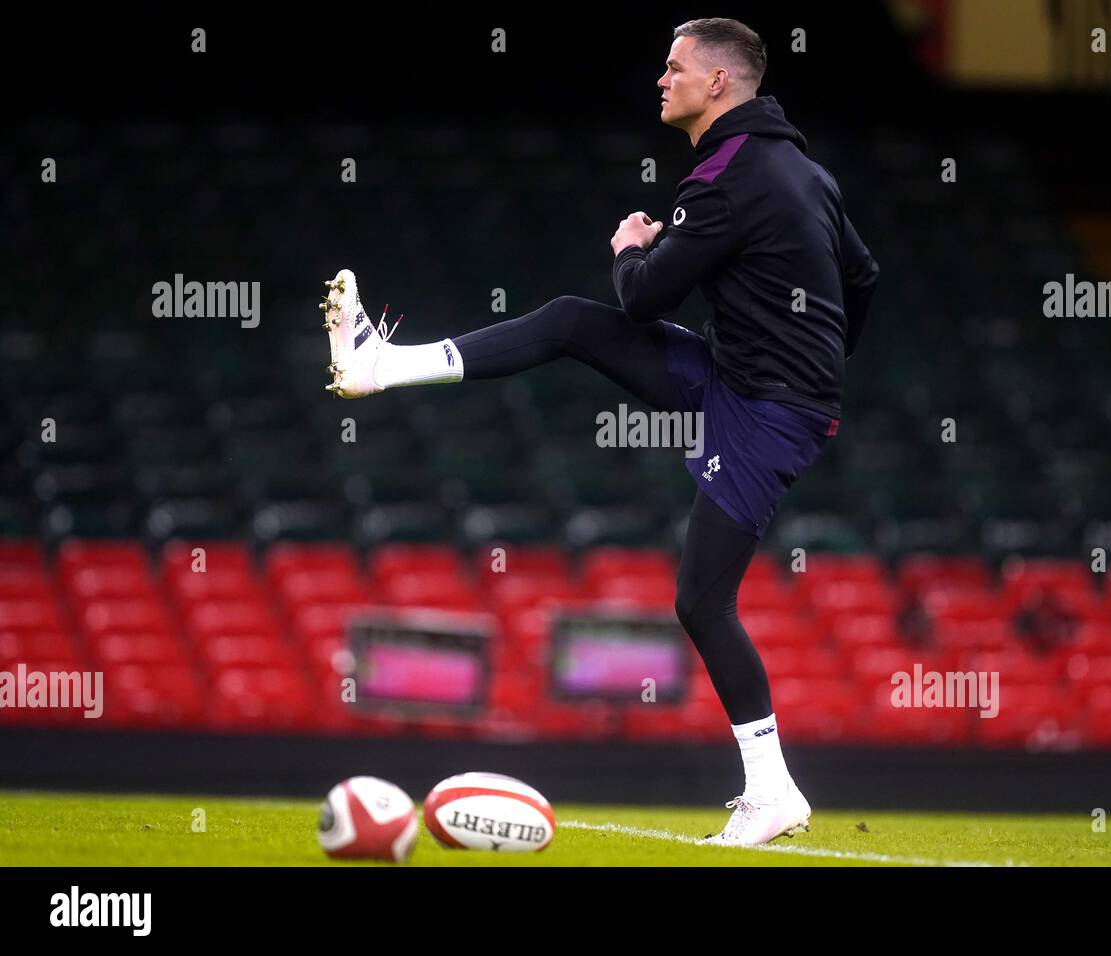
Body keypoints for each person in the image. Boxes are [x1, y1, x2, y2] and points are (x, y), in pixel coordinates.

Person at [319, 17, 879, 845]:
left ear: (718, 84)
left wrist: (631, 245)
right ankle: (380, 365)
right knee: (571, 324)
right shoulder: (804, 172)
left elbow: (645, 299)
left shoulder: (726, 176)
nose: (661, 79)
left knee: (700, 599)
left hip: (767, 409)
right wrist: (819, 355)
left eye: (674, 66)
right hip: (749, 384)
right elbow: (864, 275)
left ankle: (775, 791)